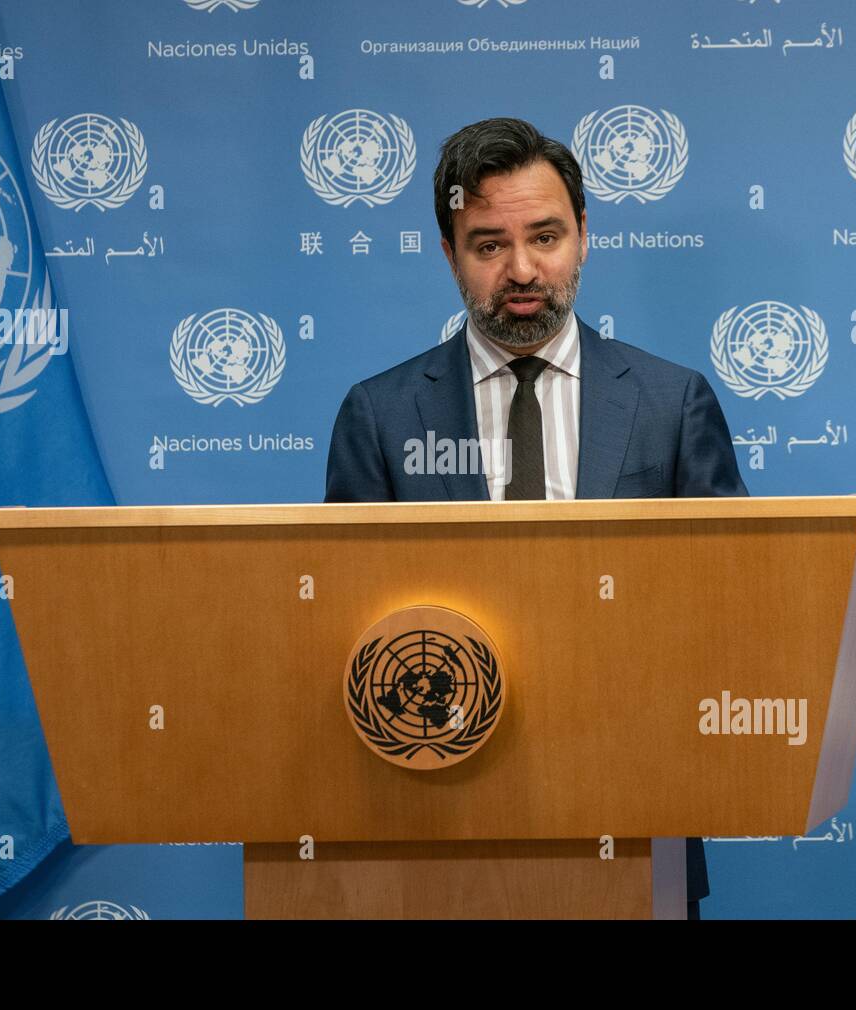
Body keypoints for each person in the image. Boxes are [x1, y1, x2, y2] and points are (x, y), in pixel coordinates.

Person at [324, 117, 749, 918]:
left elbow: (733, 609)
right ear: (449, 253)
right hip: (429, 831)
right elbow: (344, 633)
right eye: (488, 245)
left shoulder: (670, 402)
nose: (522, 269)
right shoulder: (379, 416)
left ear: (585, 235)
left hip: (632, 819)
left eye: (546, 236)